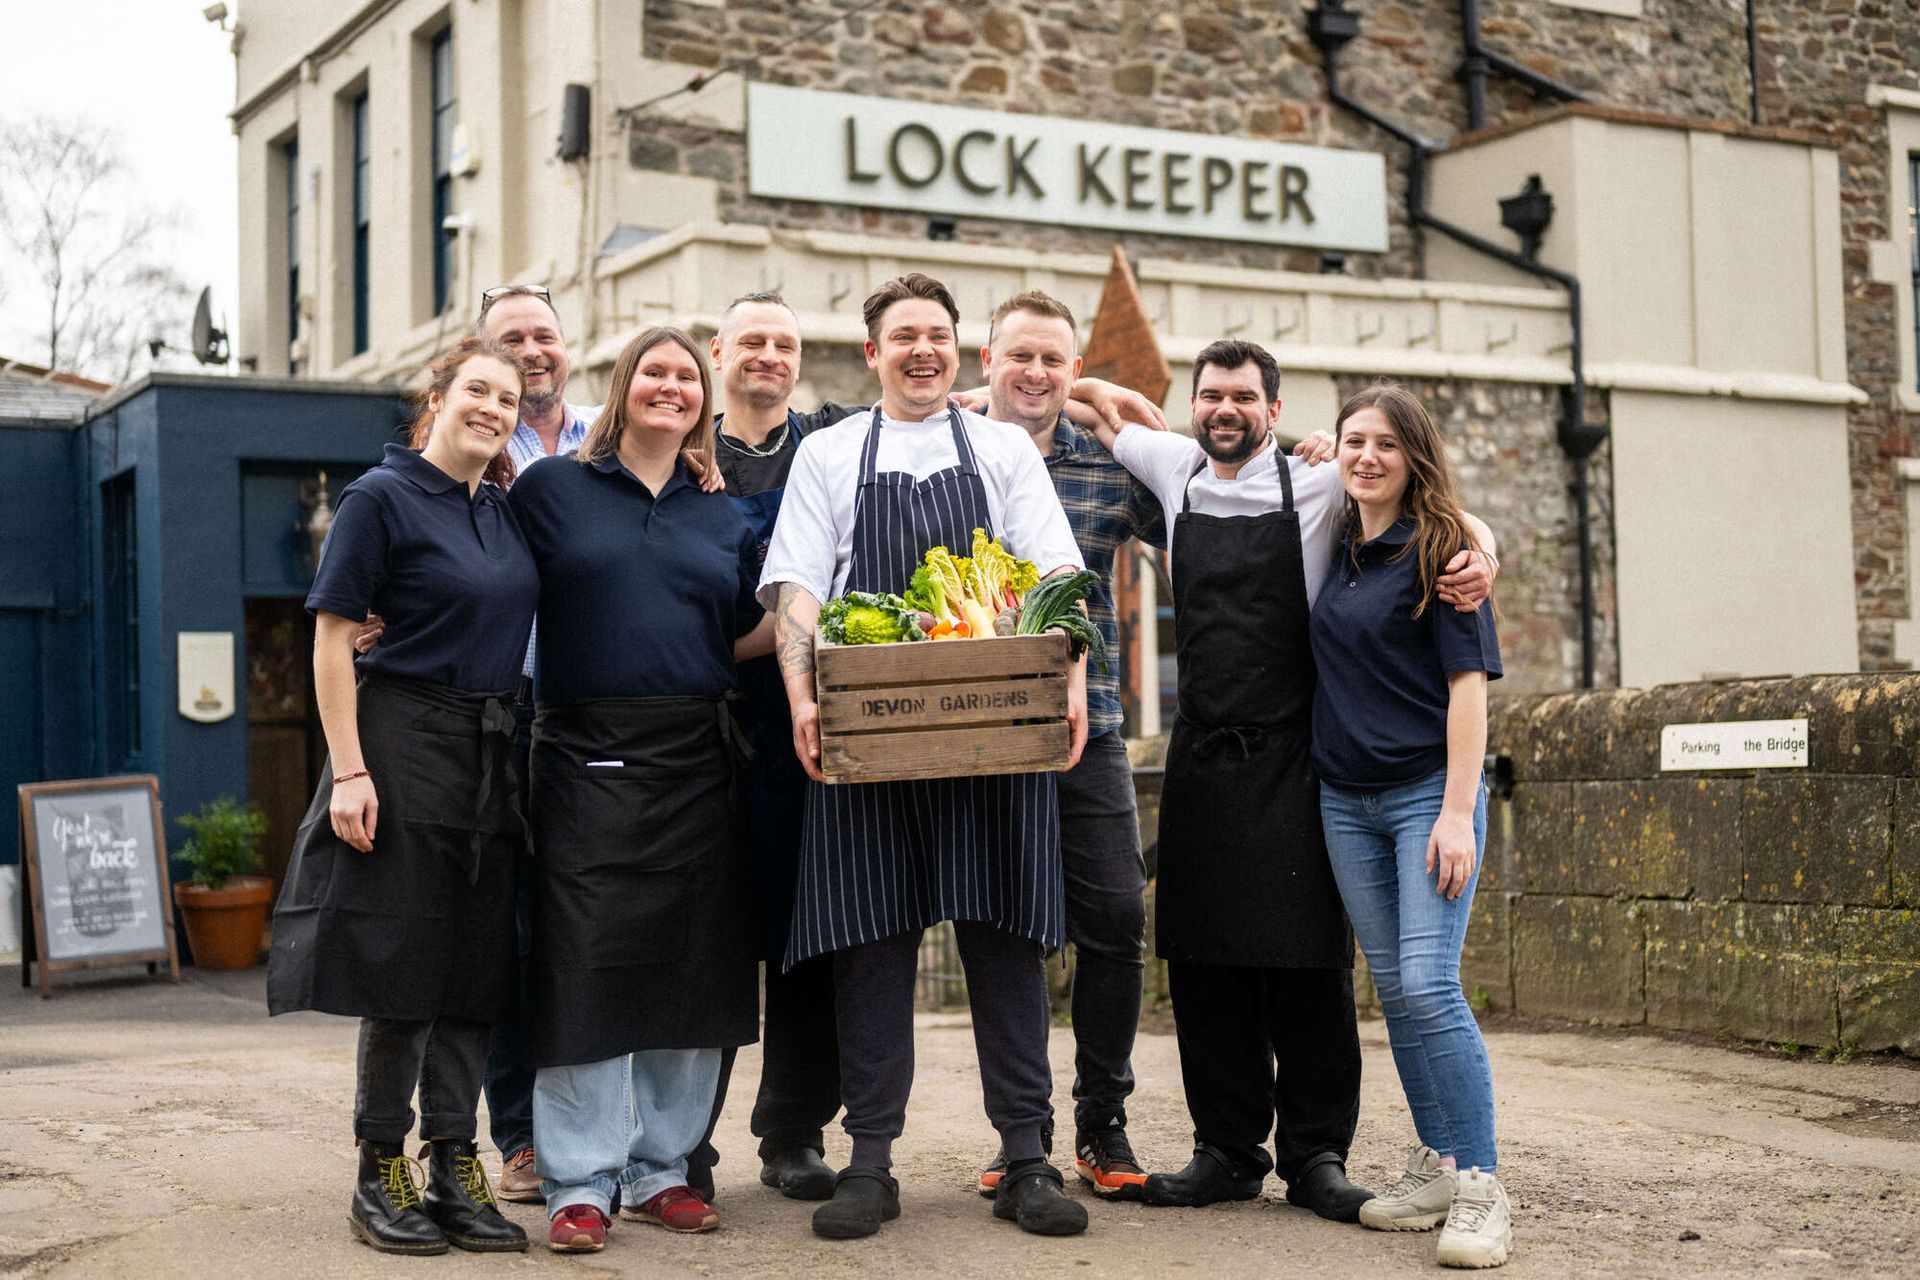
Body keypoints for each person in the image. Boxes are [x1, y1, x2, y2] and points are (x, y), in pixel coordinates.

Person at [1089, 341, 1495, 1223]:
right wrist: (992, 388)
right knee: (1204, 967)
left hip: (1296, 758)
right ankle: (1226, 1152)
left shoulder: (1319, 480)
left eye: (1243, 397)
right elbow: (1087, 403)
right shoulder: (1172, 466)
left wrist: (1482, 549)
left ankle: (1315, 1157)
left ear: (1274, 411)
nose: (1224, 409)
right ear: (1192, 405)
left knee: (1310, 968)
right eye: (1211, 395)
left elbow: (1432, 507)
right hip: (1203, 757)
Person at [760, 273, 1091, 1239]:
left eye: (938, 335)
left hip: (994, 731)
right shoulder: (828, 453)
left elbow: (1057, 575)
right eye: (904, 336)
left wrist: (1068, 680)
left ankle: (1027, 1158)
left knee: (1007, 943)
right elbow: (799, 589)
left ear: (960, 351)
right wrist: (802, 696)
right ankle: (870, 1163)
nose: (923, 351)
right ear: (873, 354)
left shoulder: (1002, 448)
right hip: (872, 733)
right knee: (869, 947)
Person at [267, 337, 536, 1257]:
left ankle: (454, 1161)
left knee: (475, 968)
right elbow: (331, 640)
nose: (493, 408)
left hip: (491, 753)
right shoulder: (378, 498)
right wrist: (349, 770)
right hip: (403, 742)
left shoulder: (501, 509)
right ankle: (380, 1167)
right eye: (478, 390)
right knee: (406, 964)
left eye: (507, 398)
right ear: (439, 398)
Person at [507, 326, 769, 1254]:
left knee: (691, 965)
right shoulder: (551, 489)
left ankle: (663, 1168)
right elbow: (492, 580)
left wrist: (815, 617)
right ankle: (579, 1181)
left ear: (703, 400)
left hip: (697, 757)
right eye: (654, 372)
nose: (672, 386)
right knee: (583, 967)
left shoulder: (721, 513)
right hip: (581, 756)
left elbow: (740, 629)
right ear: (623, 387)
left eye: (687, 377)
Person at [1310, 385, 1510, 1269]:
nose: (1367, 457)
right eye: (1354, 441)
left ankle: (1483, 1189)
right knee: (1394, 990)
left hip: (1426, 796)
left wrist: (1458, 813)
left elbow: (1469, 689)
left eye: (1386, 444)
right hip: (1343, 803)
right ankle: (1438, 1165)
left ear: (1415, 455)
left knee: (1430, 985)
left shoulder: (1446, 552)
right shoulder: (1337, 543)